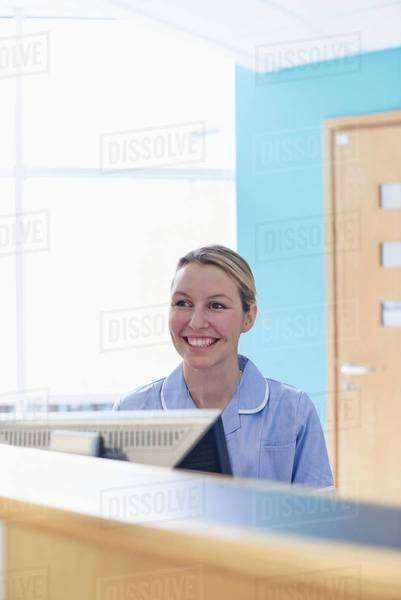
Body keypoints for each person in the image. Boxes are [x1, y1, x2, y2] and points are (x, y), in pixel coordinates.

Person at [114, 245, 334, 489]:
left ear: (248, 317)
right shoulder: (132, 411)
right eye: (183, 303)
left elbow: (320, 520)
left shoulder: (293, 411)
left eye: (216, 306)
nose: (196, 322)